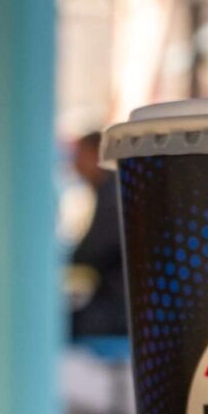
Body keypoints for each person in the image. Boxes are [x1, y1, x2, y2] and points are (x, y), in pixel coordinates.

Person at [68, 130, 127, 339]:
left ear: (96, 155)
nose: (75, 163)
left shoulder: (113, 194)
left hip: (117, 306)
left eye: (79, 154)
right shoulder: (113, 190)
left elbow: (94, 250)